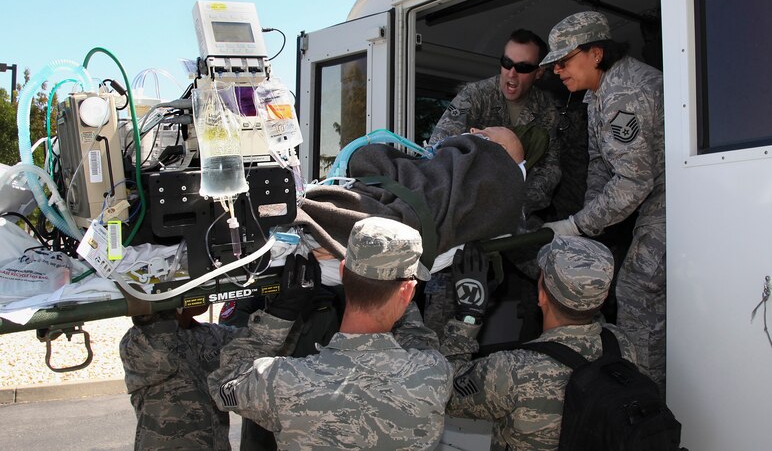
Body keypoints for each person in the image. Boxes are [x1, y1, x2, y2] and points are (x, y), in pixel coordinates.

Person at [207, 216, 454, 450]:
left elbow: (224, 382)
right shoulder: (432, 375)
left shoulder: (284, 382)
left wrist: (281, 313)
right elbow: (420, 341)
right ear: (408, 291)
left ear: (343, 272)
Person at [539, 11, 666, 390]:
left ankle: (644, 395)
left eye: (564, 61)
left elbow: (632, 180)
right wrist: (587, 225)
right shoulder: (597, 93)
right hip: (648, 195)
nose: (558, 71)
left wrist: (578, 225)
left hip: (669, 196)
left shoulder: (625, 92)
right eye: (555, 64)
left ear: (595, 54)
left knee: (636, 289)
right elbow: (600, 165)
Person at [442, 235, 637, 450]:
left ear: (541, 295)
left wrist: (468, 315)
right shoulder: (621, 344)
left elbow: (442, 391)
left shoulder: (512, 370)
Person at [296, 127, 528, 264]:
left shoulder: (494, 183)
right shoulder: (439, 166)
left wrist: (343, 234)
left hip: (397, 212)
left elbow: (432, 205)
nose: (474, 131)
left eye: (485, 136)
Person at [428, 28, 561, 224]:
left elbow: (550, 170)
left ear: (539, 72)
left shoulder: (546, 110)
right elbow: (438, 150)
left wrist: (516, 205)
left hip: (521, 209)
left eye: (523, 67)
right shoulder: (474, 96)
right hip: (465, 208)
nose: (512, 73)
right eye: (507, 63)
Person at [120, 306, 238, 450]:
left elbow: (261, 342)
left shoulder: (211, 335)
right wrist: (165, 305)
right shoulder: (139, 342)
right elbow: (161, 357)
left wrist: (271, 304)